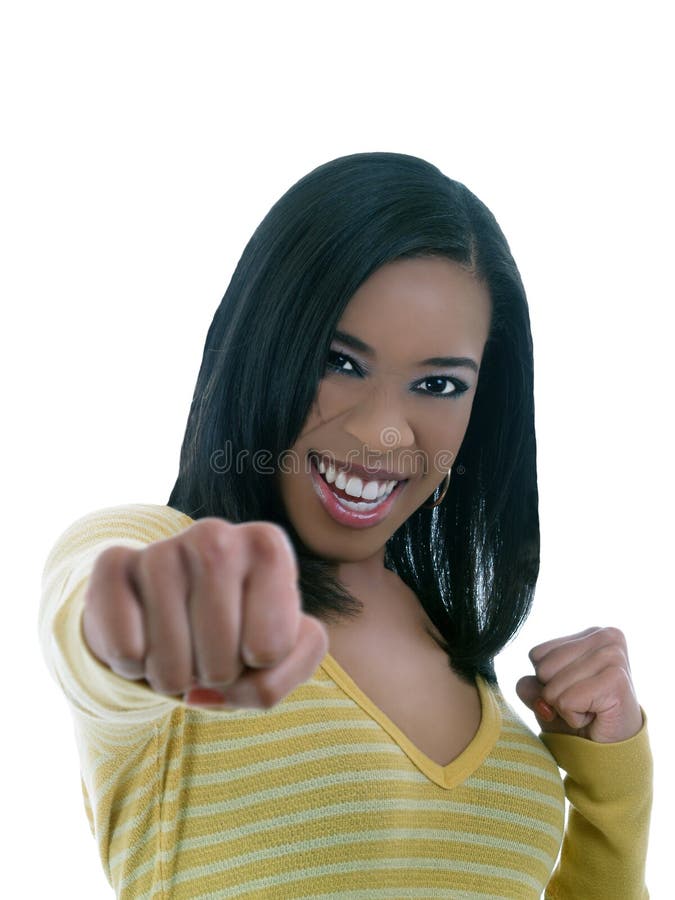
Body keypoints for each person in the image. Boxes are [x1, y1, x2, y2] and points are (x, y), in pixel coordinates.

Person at [39, 152, 652, 898]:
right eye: (341, 362)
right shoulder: (156, 550)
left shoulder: (468, 663)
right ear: (263, 351)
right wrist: (139, 614)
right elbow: (94, 616)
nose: (387, 434)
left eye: (437, 384)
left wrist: (613, 789)